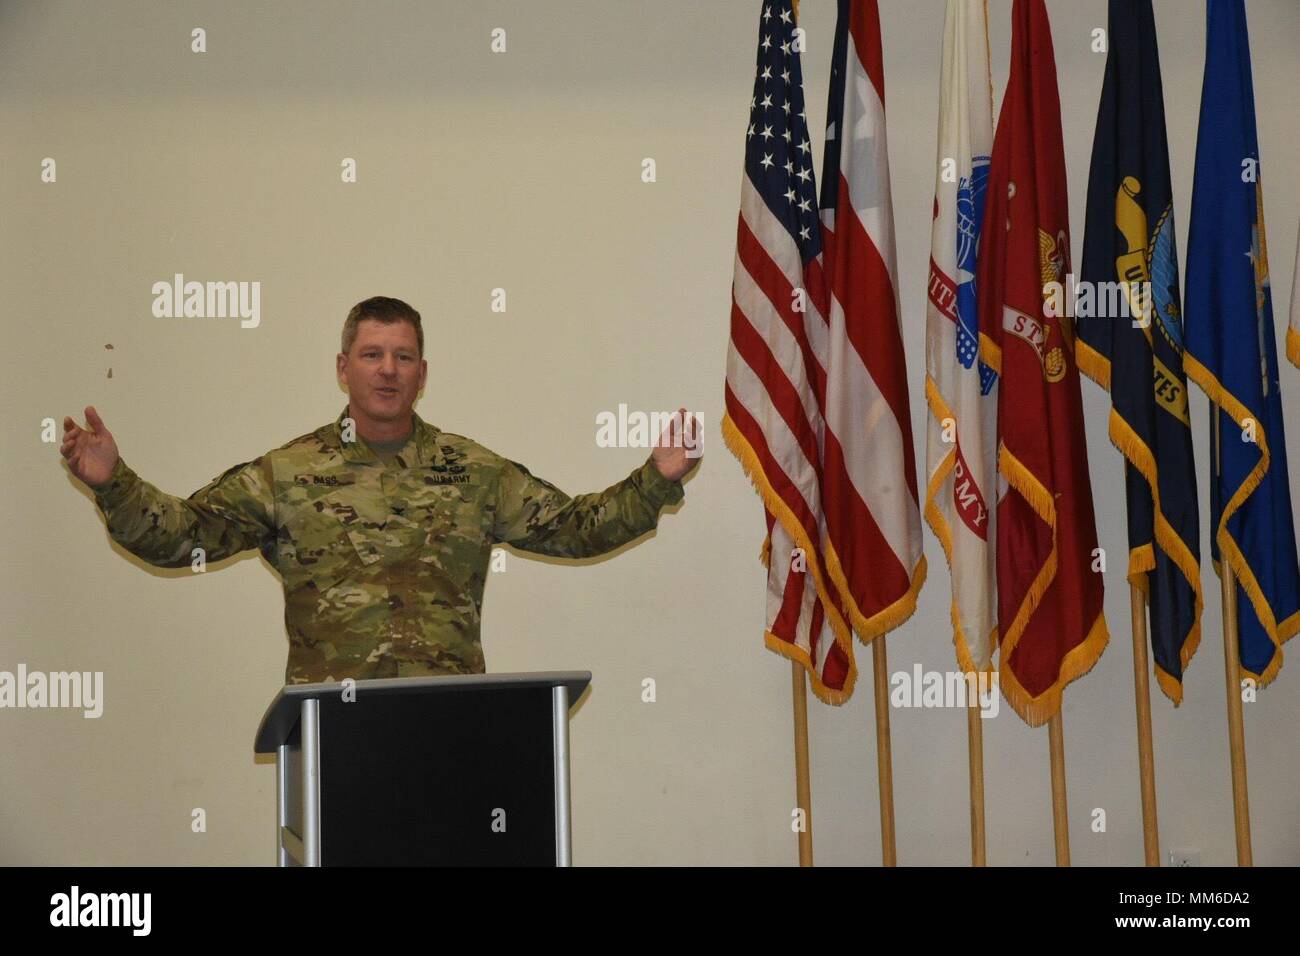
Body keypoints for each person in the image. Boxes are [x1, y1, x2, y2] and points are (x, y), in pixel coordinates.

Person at [62, 296, 700, 684]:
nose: (387, 370)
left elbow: (574, 529)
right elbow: (182, 537)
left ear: (424, 374)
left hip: (447, 727)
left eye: (402, 356)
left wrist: (655, 479)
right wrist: (114, 483)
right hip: (334, 731)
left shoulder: (473, 472)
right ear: (343, 369)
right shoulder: (287, 474)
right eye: (371, 355)